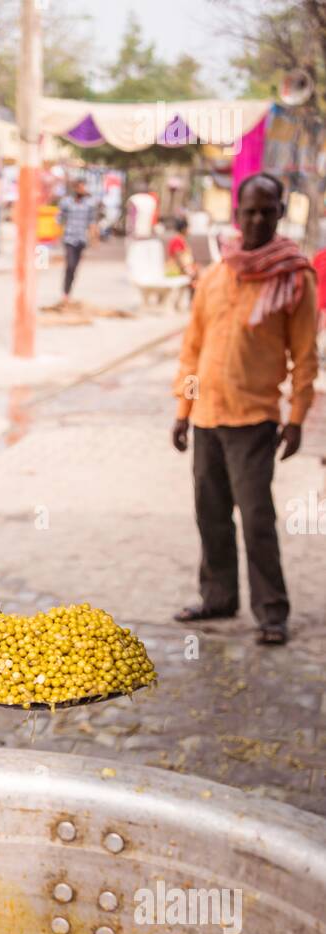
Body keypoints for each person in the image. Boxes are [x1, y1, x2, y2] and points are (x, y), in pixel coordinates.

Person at [171, 173, 317, 646]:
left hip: (255, 420)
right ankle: (217, 598)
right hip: (207, 417)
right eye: (248, 211)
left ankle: (271, 612)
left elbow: (305, 355)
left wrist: (296, 419)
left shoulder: (295, 277)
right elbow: (192, 350)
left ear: (279, 212)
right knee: (209, 513)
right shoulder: (216, 275)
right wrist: (182, 409)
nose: (256, 219)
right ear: (237, 214)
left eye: (266, 210)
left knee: (256, 518)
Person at [57, 178, 97, 305]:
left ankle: (68, 292)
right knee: (70, 265)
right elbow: (59, 219)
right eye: (80, 187)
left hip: (81, 239)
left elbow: (92, 222)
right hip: (69, 238)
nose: (82, 190)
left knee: (74, 268)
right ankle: (65, 293)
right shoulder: (66, 202)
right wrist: (58, 232)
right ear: (75, 188)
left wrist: (94, 238)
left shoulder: (90, 203)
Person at [165, 215, 198, 298]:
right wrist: (186, 270)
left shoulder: (181, 239)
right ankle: (194, 302)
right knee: (195, 280)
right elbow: (178, 258)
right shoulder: (177, 240)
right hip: (175, 269)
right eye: (188, 227)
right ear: (184, 229)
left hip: (182, 268)